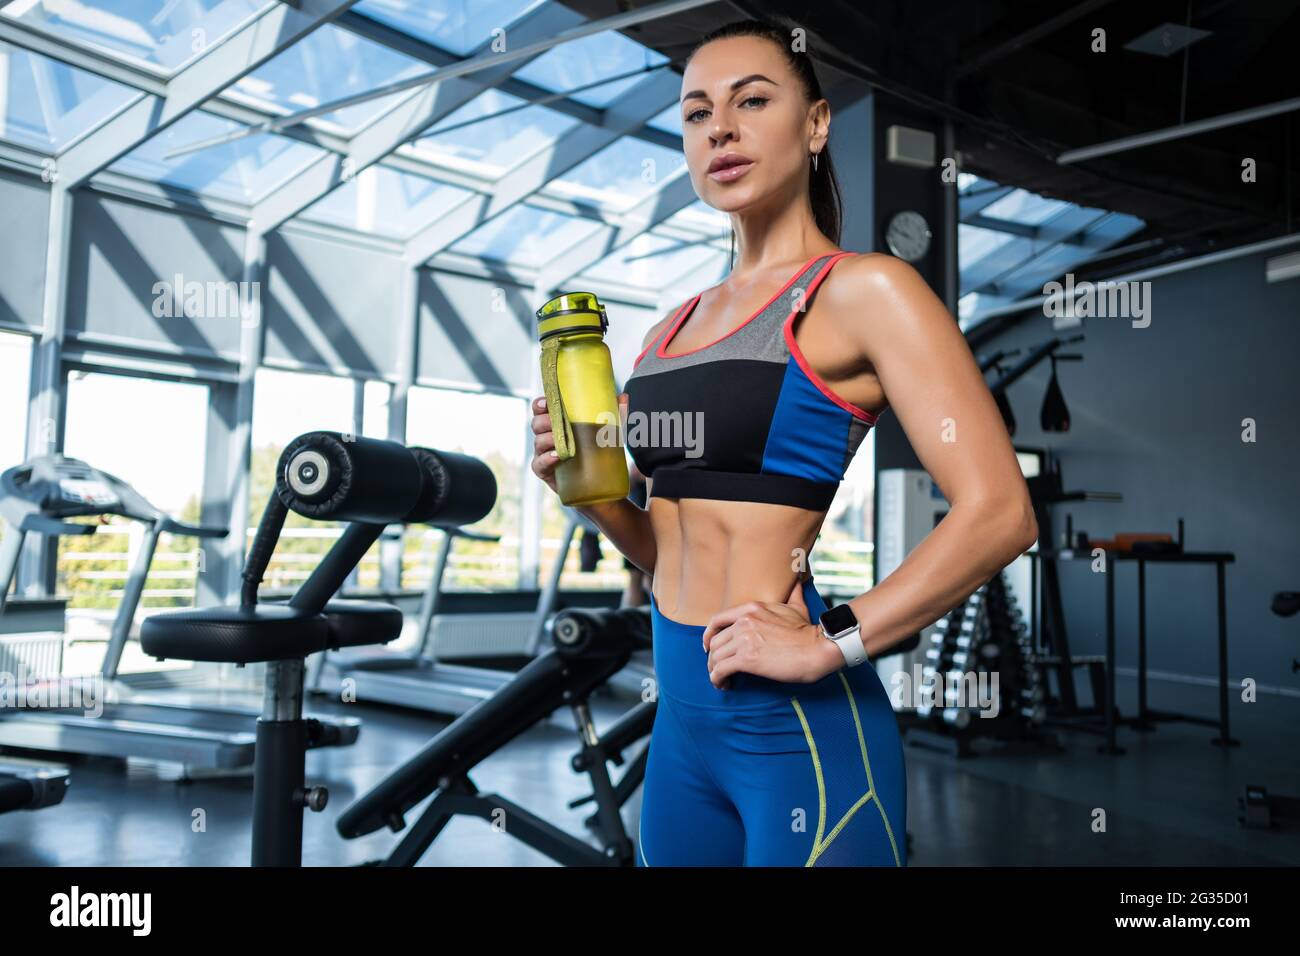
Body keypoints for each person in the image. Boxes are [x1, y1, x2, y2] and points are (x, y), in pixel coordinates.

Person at [530, 17, 1036, 867]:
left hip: (798, 734)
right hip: (682, 724)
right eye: (696, 114)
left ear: (815, 124)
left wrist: (828, 641)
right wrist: (585, 489)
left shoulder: (865, 291)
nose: (719, 128)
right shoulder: (667, 331)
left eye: (752, 100)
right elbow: (663, 549)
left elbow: (1000, 513)